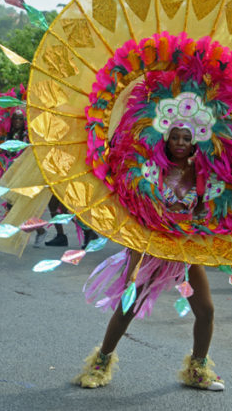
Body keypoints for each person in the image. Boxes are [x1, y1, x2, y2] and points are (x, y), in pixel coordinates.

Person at [74, 125, 222, 390]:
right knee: (127, 308)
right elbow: (138, 214)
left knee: (206, 311)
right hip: (151, 248)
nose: (180, 142)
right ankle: (100, 365)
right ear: (166, 139)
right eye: (174, 137)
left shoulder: (200, 175)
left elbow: (201, 211)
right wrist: (134, 263)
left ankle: (198, 370)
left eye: (186, 138)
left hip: (183, 251)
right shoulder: (153, 171)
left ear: (194, 142)